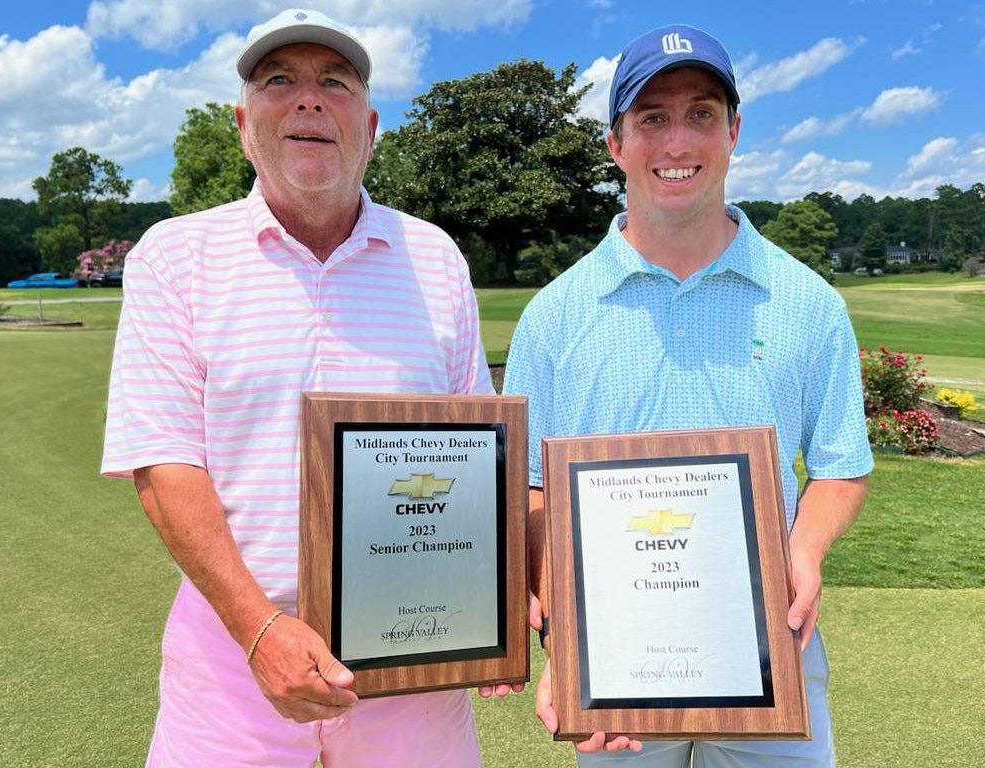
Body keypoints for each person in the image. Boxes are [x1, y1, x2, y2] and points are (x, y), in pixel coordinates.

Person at [102, 9, 508, 766]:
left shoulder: (435, 258)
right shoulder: (174, 256)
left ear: (372, 122)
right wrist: (260, 630)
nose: (309, 99)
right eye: (279, 80)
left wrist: (489, 609)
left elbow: (476, 460)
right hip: (231, 654)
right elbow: (162, 466)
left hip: (415, 655)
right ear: (242, 120)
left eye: (335, 82)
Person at [503, 23, 873, 767]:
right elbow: (532, 489)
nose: (678, 142)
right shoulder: (555, 315)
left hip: (772, 645)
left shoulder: (810, 302)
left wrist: (805, 551)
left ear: (734, 131)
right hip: (613, 660)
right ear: (615, 143)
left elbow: (840, 464)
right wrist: (565, 633)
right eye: (652, 118)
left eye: (702, 114)